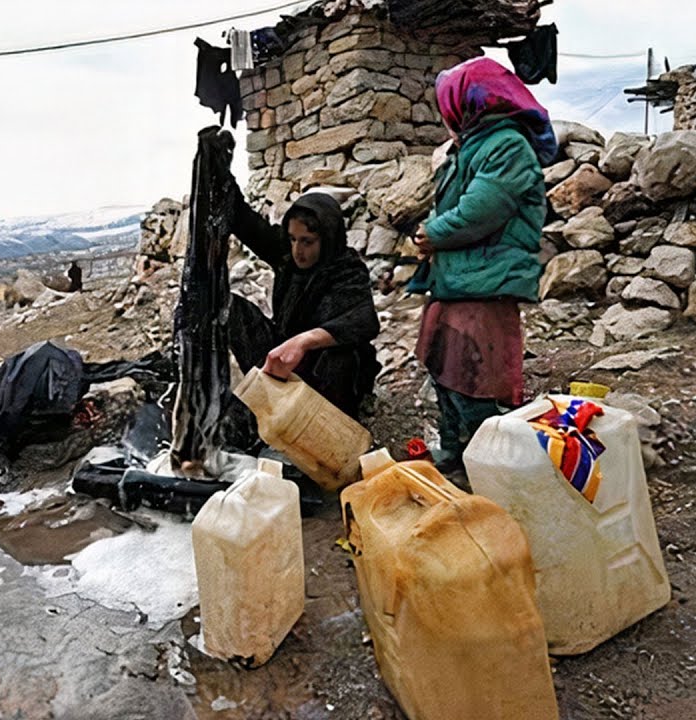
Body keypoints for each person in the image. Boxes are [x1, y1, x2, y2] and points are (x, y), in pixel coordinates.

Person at [409, 57, 557, 472]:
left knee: (473, 377)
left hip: (486, 283)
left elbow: (481, 210)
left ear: (467, 102)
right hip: (457, 280)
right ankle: (457, 452)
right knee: (444, 369)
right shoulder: (471, 145)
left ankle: (488, 464)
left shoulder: (507, 145)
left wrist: (433, 233)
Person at [227, 188, 381, 418]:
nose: (298, 251)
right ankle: (269, 398)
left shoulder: (346, 269)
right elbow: (247, 223)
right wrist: (217, 174)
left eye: (307, 242)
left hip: (322, 367)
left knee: (341, 358)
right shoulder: (288, 256)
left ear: (326, 238)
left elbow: (363, 320)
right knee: (228, 308)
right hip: (286, 356)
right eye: (292, 239)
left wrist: (305, 341)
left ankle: (326, 423)